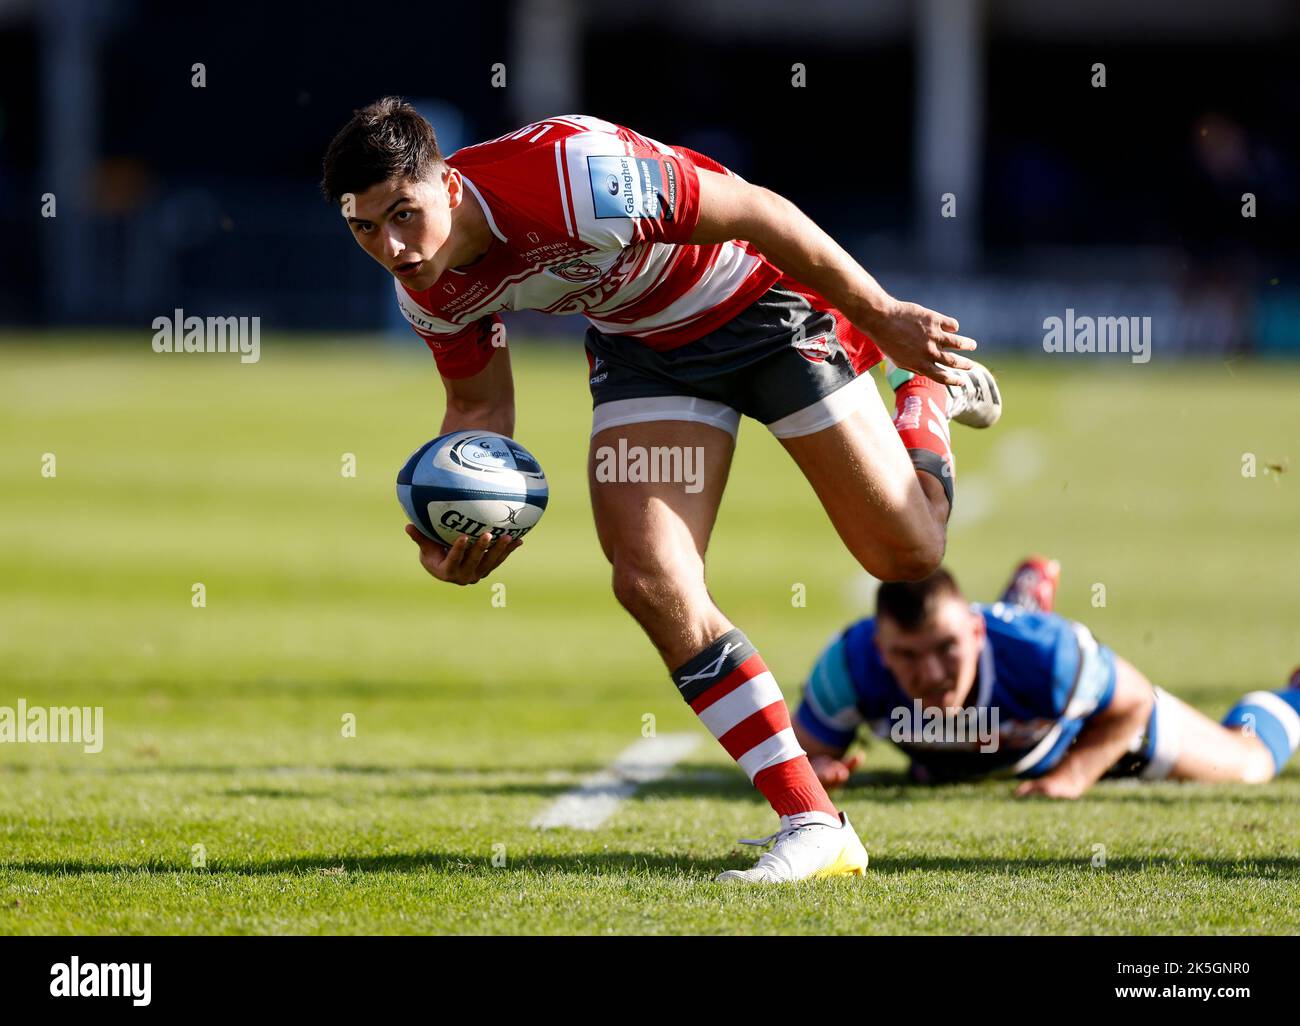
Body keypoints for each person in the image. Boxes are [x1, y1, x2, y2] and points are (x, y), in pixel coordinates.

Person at [321, 100, 1004, 882]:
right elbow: (480, 410)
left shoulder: (575, 179)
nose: (394, 248)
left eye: (404, 214)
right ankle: (812, 820)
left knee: (908, 552)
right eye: (365, 228)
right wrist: (462, 524)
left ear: (446, 183)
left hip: (763, 308)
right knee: (649, 579)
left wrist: (880, 314)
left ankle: (924, 396)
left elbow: (757, 210)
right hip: (645, 350)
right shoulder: (429, 291)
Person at [795, 558, 1300, 796]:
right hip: (991, 738)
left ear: (975, 630)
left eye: (947, 647)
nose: (929, 674)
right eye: (906, 655)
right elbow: (802, 752)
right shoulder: (848, 666)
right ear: (881, 650)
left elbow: (1136, 700)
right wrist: (817, 768)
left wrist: (1072, 776)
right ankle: (1023, 600)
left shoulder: (1050, 658)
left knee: (1248, 764)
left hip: (1077, 732)